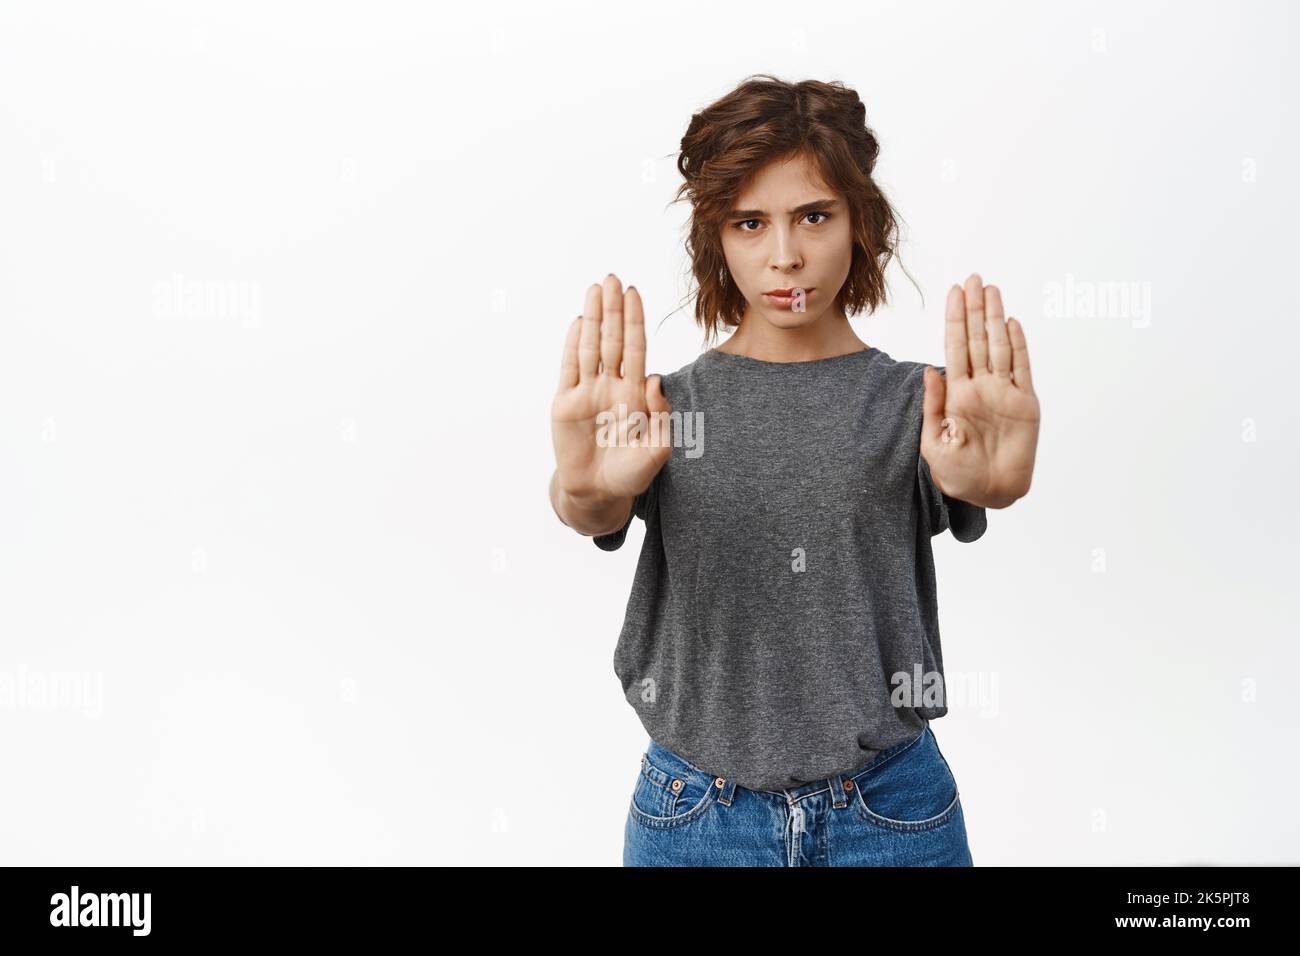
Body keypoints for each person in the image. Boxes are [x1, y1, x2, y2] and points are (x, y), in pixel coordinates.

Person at [548, 75, 1040, 866]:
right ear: (717, 238)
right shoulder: (665, 407)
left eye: (814, 215)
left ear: (860, 223)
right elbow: (594, 507)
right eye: (751, 223)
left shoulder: (925, 404)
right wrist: (584, 489)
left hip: (890, 814)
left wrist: (991, 485)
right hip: (694, 818)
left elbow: (977, 480)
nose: (786, 255)